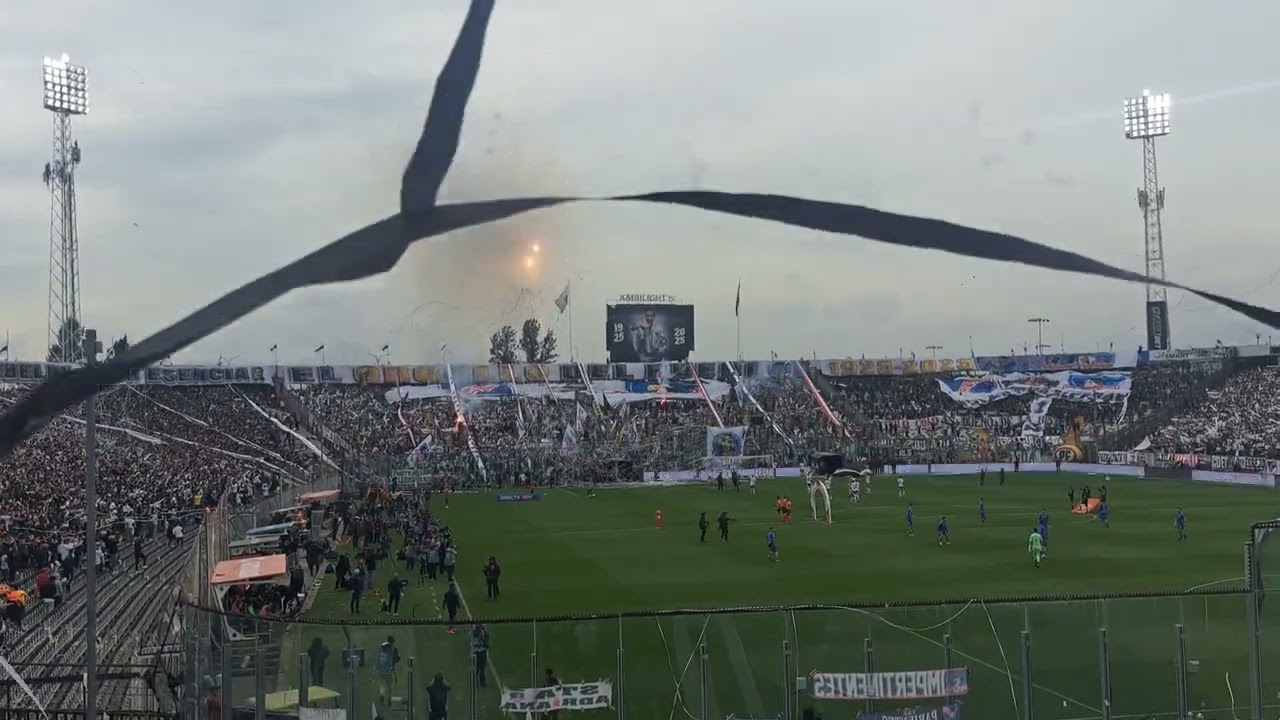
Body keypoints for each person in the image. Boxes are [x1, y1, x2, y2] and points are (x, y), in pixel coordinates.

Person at [373, 636, 401, 702]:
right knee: (389, 686)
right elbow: (396, 659)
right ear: (392, 641)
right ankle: (389, 700)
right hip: (389, 670)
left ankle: (382, 696)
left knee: (382, 684)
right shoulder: (393, 649)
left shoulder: (382, 647)